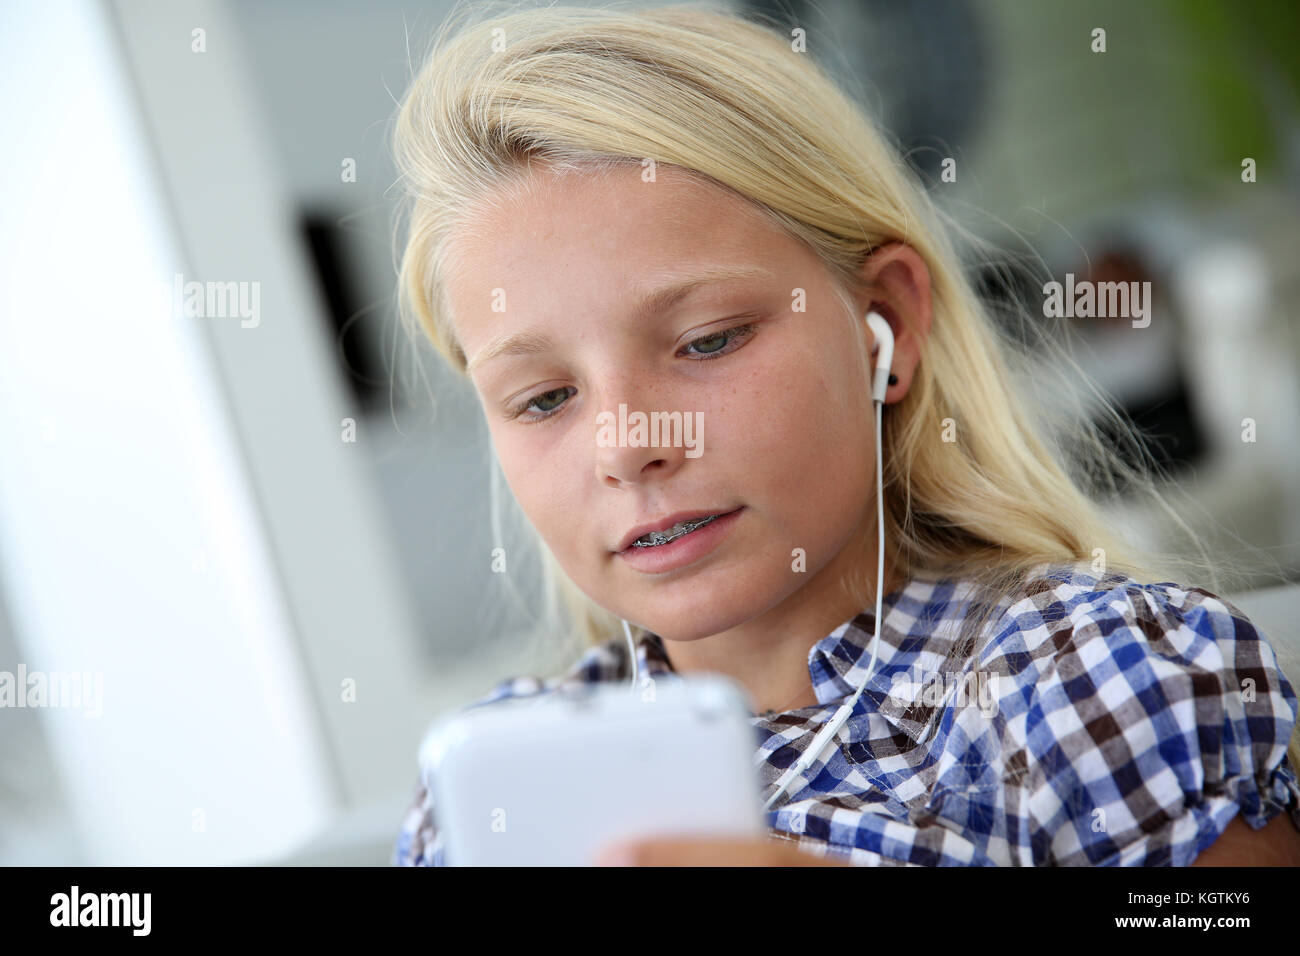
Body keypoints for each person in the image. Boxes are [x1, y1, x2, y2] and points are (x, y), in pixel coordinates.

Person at [387, 1, 1300, 866]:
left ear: (887, 328)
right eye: (545, 399)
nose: (628, 445)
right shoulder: (483, 791)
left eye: (708, 341)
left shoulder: (1090, 680)